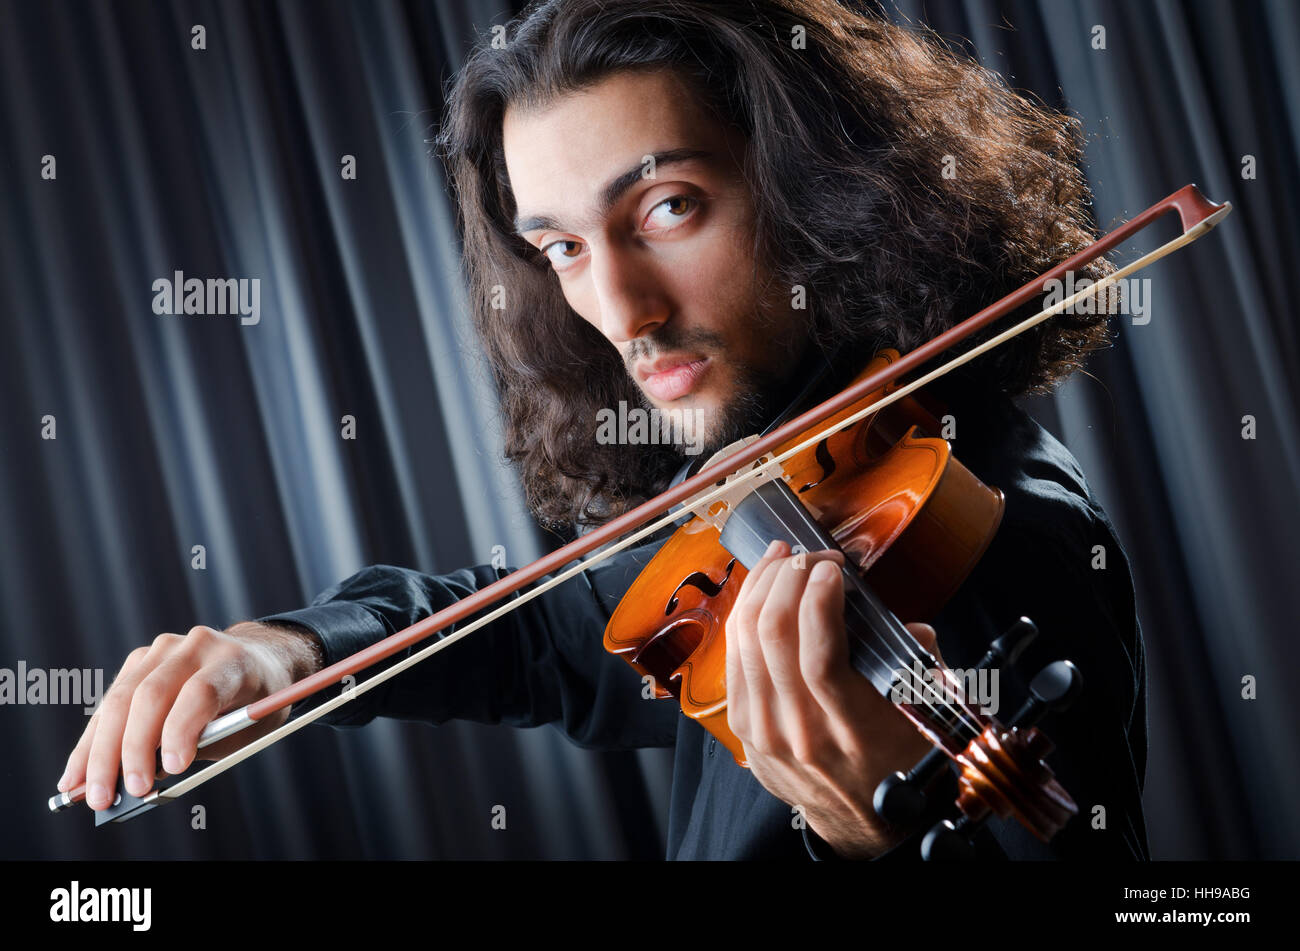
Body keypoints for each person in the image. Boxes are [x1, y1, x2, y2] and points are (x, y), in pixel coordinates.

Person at [56, 0, 1148, 860]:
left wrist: (866, 839)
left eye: (667, 206)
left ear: (818, 188)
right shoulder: (768, 498)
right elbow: (534, 637)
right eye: (563, 248)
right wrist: (284, 653)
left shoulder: (1008, 541)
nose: (621, 313)